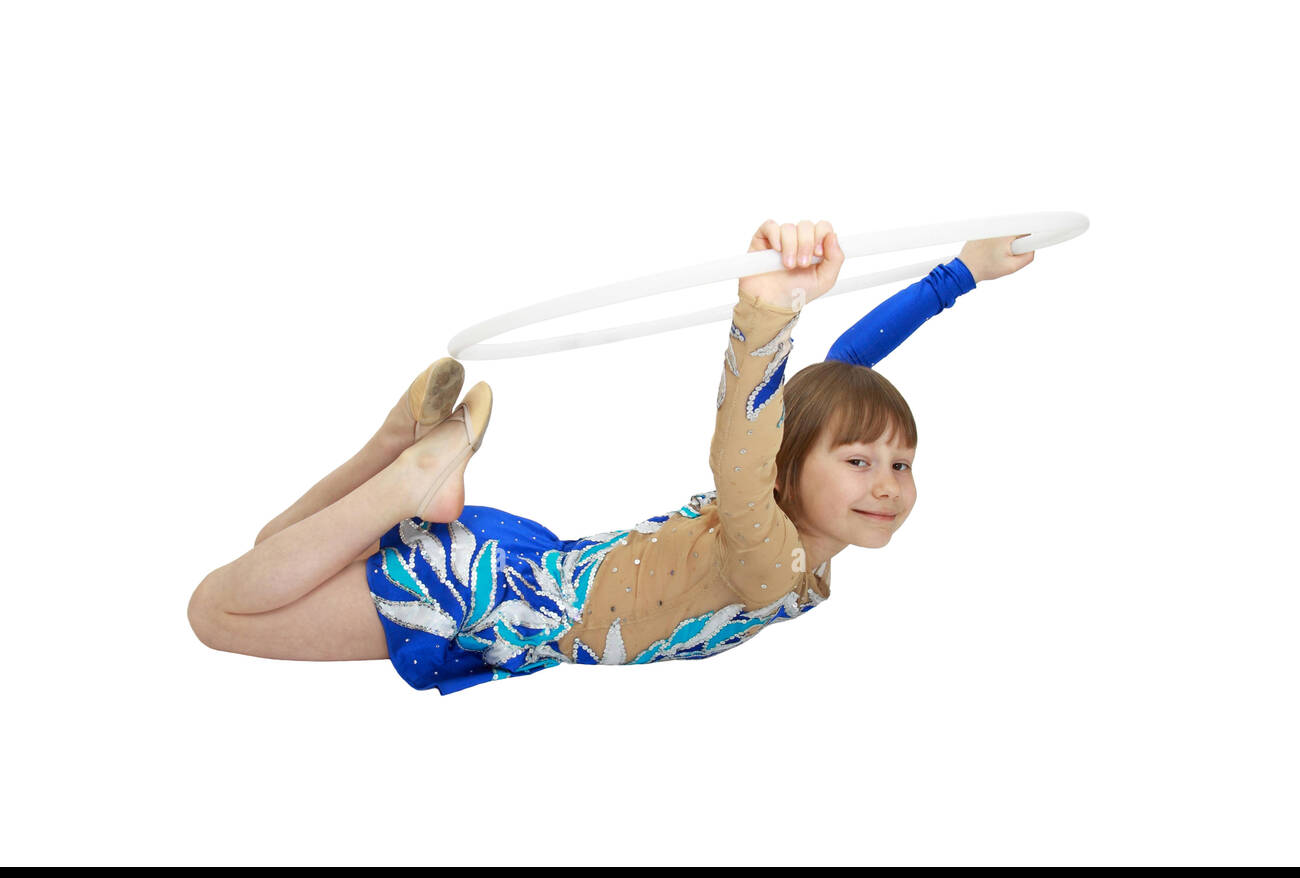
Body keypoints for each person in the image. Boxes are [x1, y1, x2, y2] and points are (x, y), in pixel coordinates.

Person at [186, 219, 1034, 694]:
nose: (886, 485)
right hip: (494, 605)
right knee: (215, 614)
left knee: (274, 549)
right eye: (860, 462)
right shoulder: (771, 558)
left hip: (531, 564)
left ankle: (397, 449)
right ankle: (408, 478)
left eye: (899, 464)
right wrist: (769, 315)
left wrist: (960, 274)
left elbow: (842, 373)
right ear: (786, 463)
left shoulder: (785, 540)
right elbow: (742, 454)